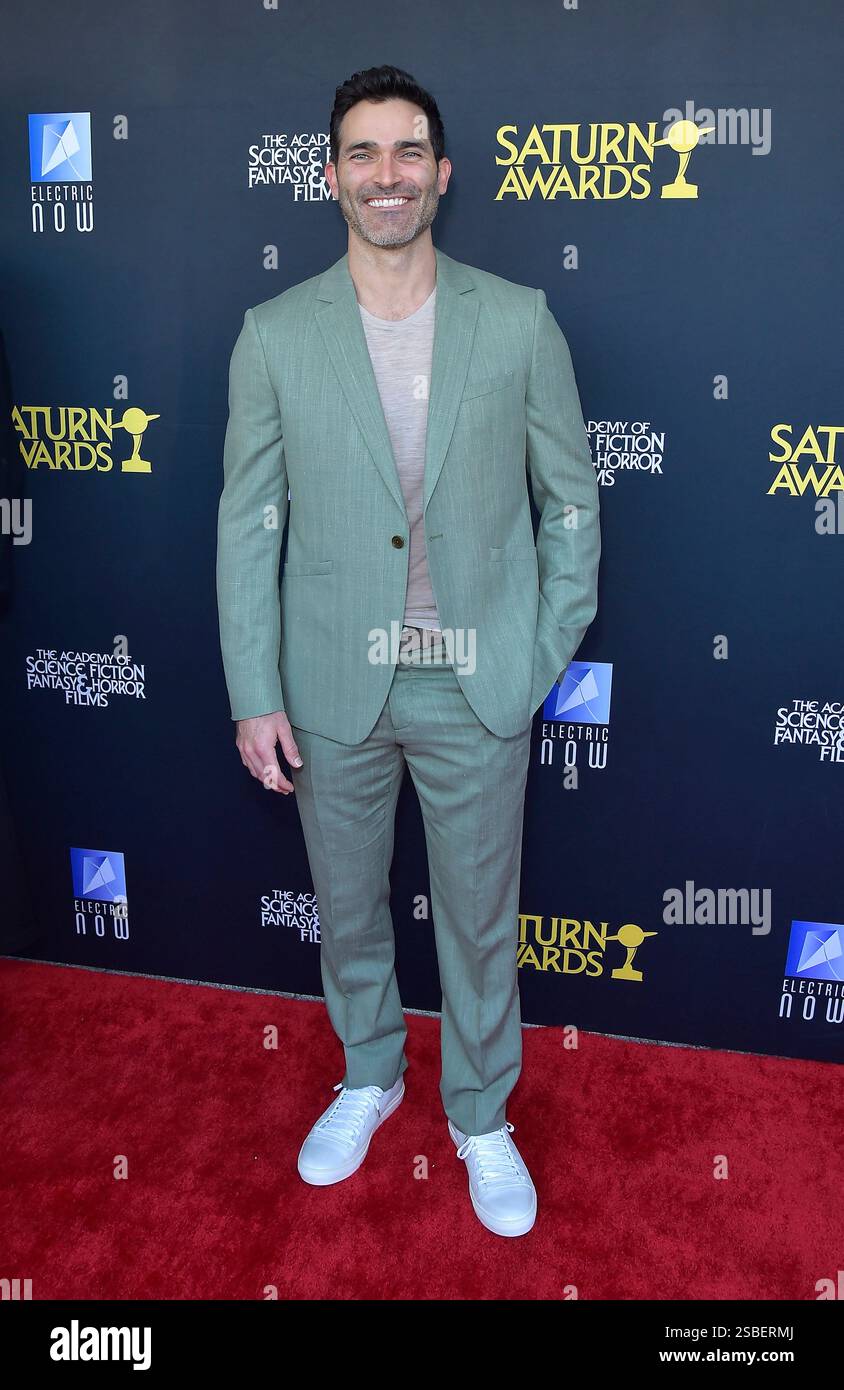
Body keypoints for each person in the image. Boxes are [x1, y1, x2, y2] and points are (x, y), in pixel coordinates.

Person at [216, 65, 600, 1238]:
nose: (387, 176)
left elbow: (570, 504)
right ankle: (369, 1073)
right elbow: (247, 524)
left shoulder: (518, 318)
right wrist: (255, 691)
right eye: (364, 154)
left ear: (441, 173)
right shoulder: (274, 336)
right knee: (350, 906)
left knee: (482, 917)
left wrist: (535, 656)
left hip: (473, 681)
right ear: (331, 175)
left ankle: (481, 1112)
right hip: (333, 682)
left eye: (408, 152)